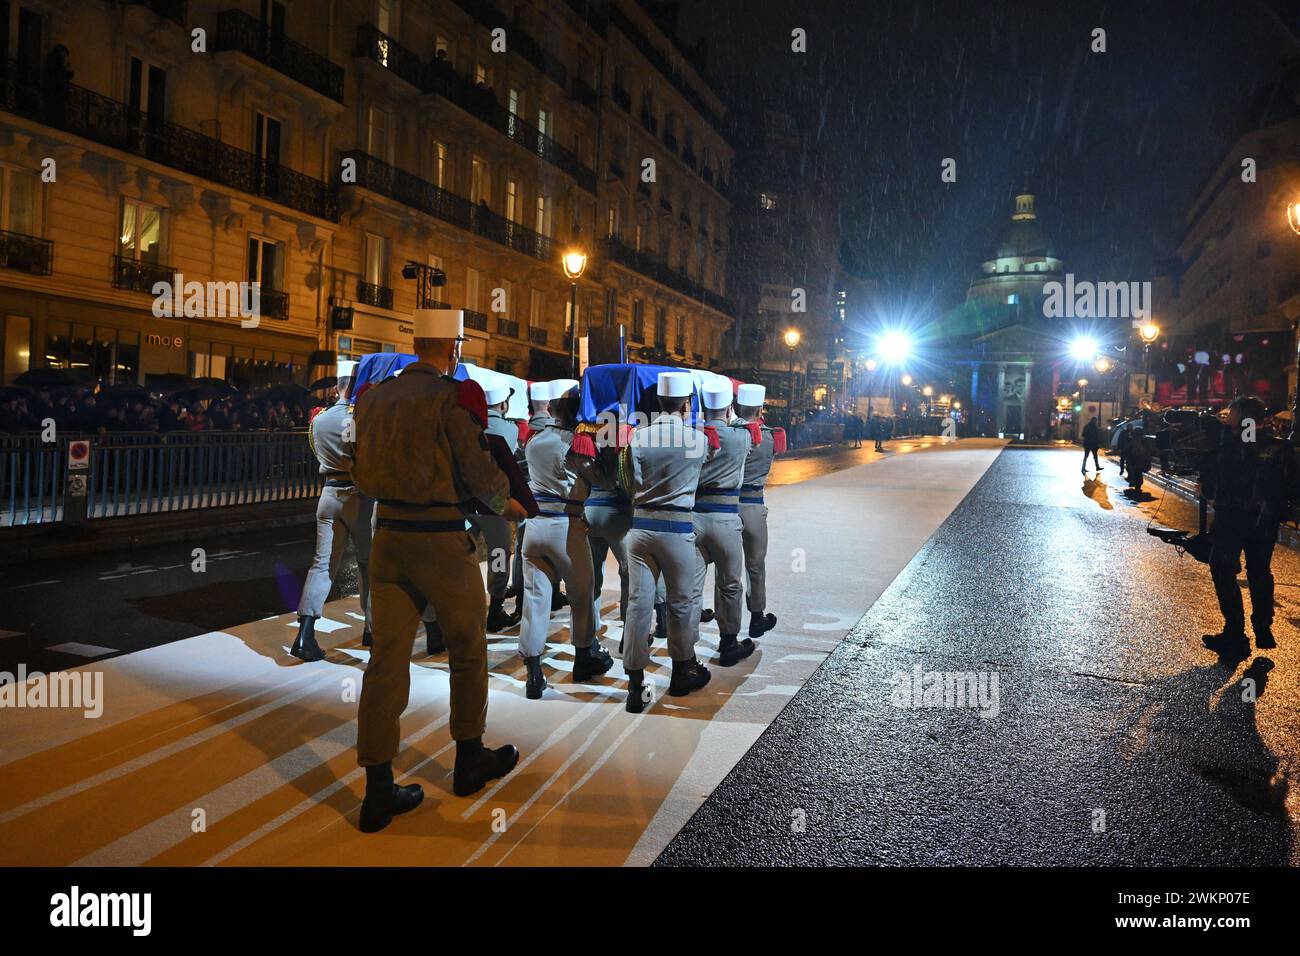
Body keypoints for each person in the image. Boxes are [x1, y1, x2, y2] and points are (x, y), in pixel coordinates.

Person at [350, 308, 526, 833]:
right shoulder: (449, 399)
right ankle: (469, 758)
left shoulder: (373, 398)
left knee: (386, 662)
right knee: (469, 649)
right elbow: (478, 472)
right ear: (453, 348)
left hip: (389, 539)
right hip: (440, 539)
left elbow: (358, 468)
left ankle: (377, 790)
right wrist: (508, 503)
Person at [617, 372, 716, 712]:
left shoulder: (638, 438)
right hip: (677, 529)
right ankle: (682, 670)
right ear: (686, 404)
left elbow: (629, 482)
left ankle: (633, 682)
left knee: (638, 604)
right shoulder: (697, 440)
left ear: (659, 403)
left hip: (641, 528)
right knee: (682, 603)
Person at [517, 381, 612, 698]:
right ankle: (584, 657)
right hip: (565, 528)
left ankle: (533, 673)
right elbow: (601, 480)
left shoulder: (534, 441)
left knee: (535, 601)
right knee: (582, 594)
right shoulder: (576, 443)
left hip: (534, 528)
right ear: (572, 408)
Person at [1201, 396, 1297, 654]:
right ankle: (1262, 627)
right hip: (1264, 522)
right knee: (1259, 572)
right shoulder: (1280, 448)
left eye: (1231, 415)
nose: (1227, 419)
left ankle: (1235, 631)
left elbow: (1213, 484)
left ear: (1243, 418)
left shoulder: (1231, 446)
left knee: (1222, 569)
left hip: (1231, 519)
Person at [292, 361, 372, 661]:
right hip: (358, 496)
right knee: (368, 564)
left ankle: (305, 633)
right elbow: (363, 458)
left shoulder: (319, 419)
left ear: (337, 386)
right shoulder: (359, 418)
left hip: (327, 494)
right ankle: (372, 630)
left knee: (321, 564)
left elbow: (315, 450)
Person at [691, 380, 756, 667]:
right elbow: (750, 424)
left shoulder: (692, 436)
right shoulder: (741, 437)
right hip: (726, 518)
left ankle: (686, 653)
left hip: (692, 518)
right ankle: (729, 644)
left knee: (689, 588)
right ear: (729, 407)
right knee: (729, 584)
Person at [471, 378, 523, 633]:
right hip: (494, 502)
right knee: (499, 555)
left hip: (467, 501)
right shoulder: (509, 429)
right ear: (503, 403)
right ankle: (495, 609)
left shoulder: (470, 425)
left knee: (461, 554)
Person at [732, 383, 779, 639]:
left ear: (738, 407)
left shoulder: (729, 433)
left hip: (727, 505)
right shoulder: (770, 436)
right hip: (753, 504)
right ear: (760, 408)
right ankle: (757, 616)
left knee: (727, 571)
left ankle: (727, 626)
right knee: (755, 564)